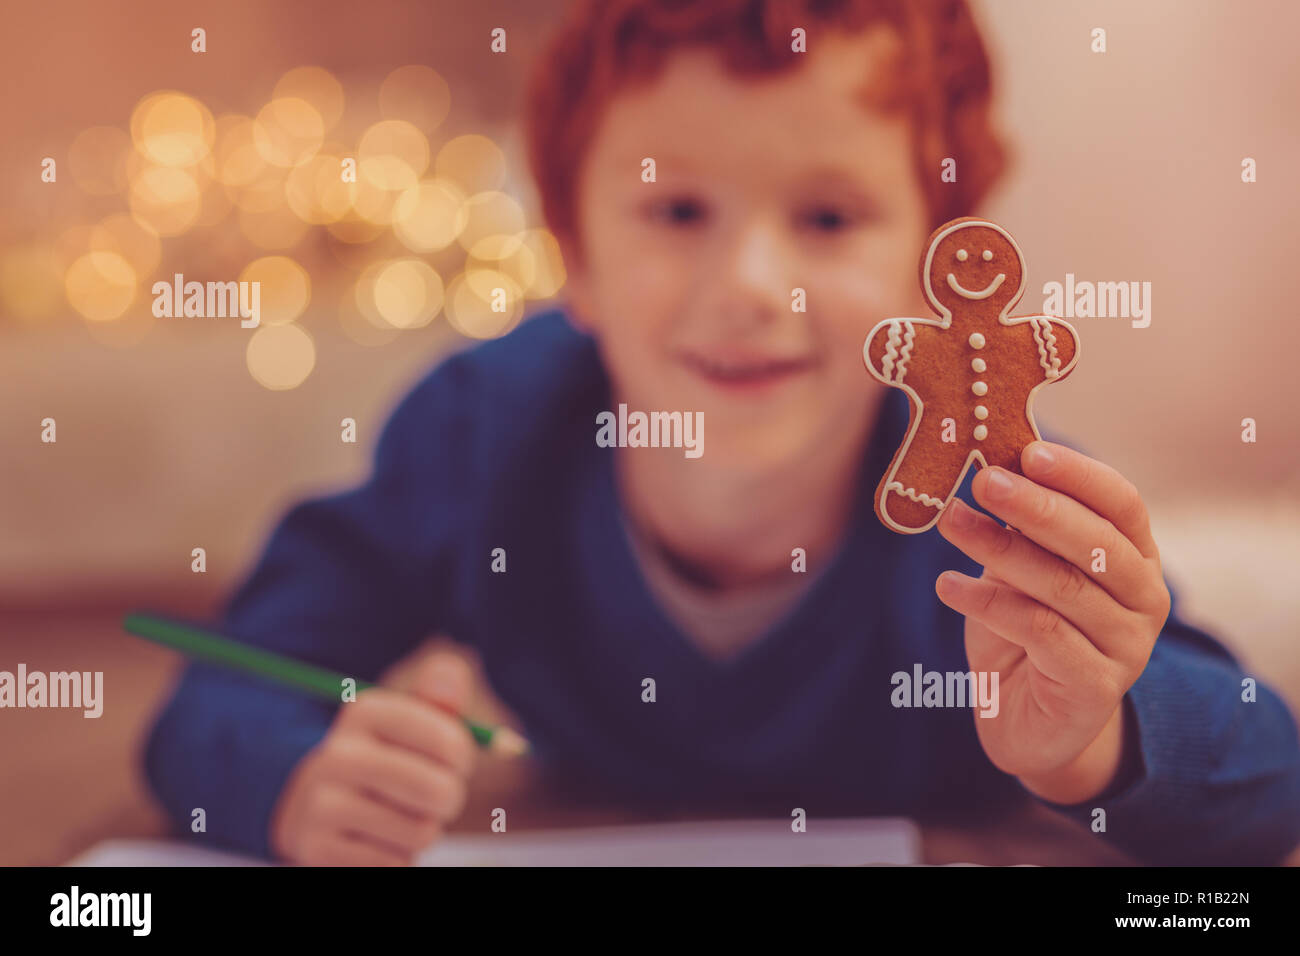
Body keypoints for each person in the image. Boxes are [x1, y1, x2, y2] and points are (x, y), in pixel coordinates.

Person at [144, 0, 1300, 865]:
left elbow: (1270, 773)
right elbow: (217, 690)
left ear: (932, 257)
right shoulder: (478, 434)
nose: (750, 284)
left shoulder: (995, 489)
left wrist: (1091, 741)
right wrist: (290, 779)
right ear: (573, 255)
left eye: (829, 215)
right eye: (676, 208)